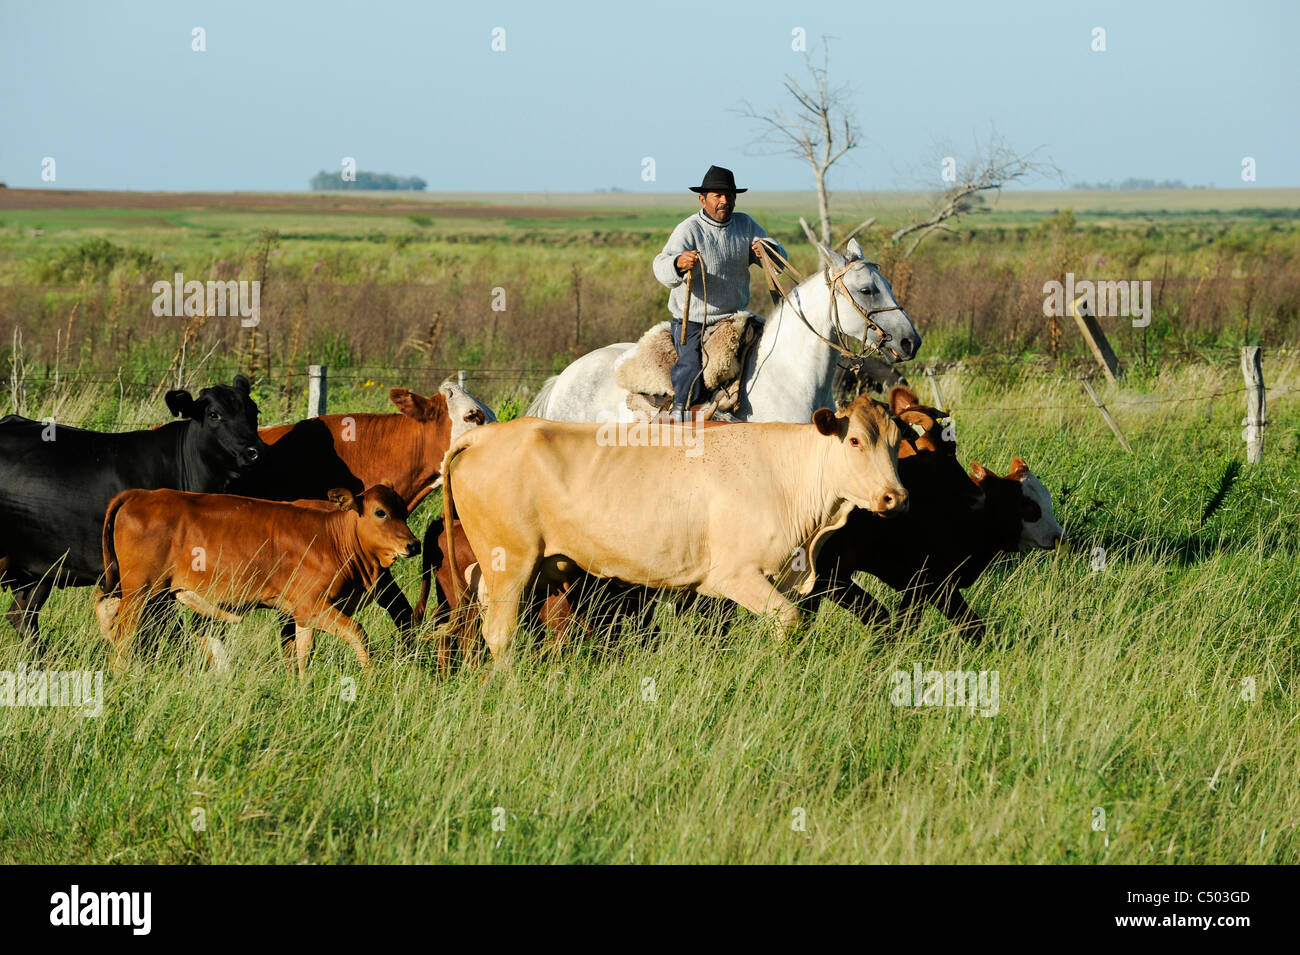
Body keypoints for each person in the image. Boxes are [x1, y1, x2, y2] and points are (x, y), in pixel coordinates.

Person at [652, 165, 788, 420]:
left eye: (729, 195)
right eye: (717, 195)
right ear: (702, 199)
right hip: (693, 322)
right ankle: (679, 415)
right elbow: (660, 265)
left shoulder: (745, 224)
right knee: (691, 369)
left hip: (736, 317)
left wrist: (767, 250)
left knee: (775, 347)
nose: (724, 200)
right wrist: (678, 263)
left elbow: (779, 258)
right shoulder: (689, 229)